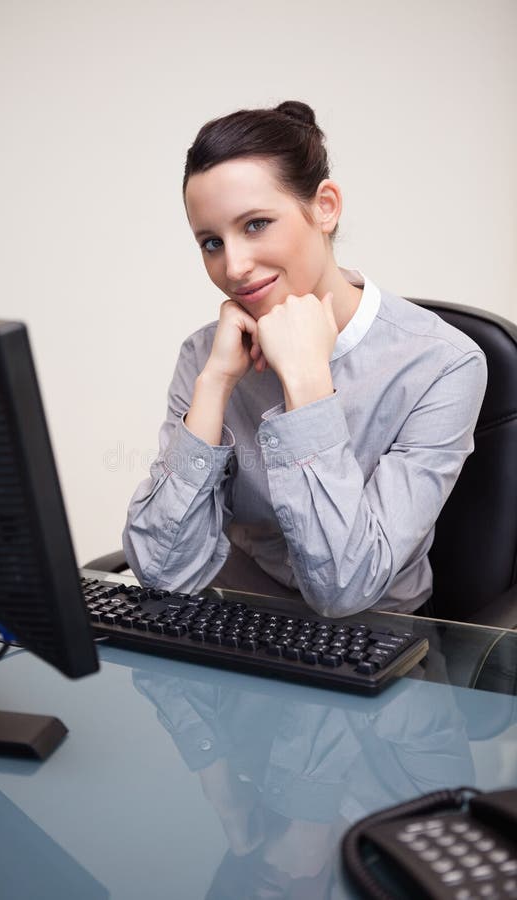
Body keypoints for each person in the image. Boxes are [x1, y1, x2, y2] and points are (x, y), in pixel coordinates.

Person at [122, 100, 487, 617]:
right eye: (211, 242)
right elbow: (162, 573)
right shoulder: (206, 355)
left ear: (325, 207)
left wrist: (307, 381)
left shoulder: (442, 364)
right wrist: (216, 383)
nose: (234, 267)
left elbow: (345, 589)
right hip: (238, 621)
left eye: (256, 224)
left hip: (380, 638)